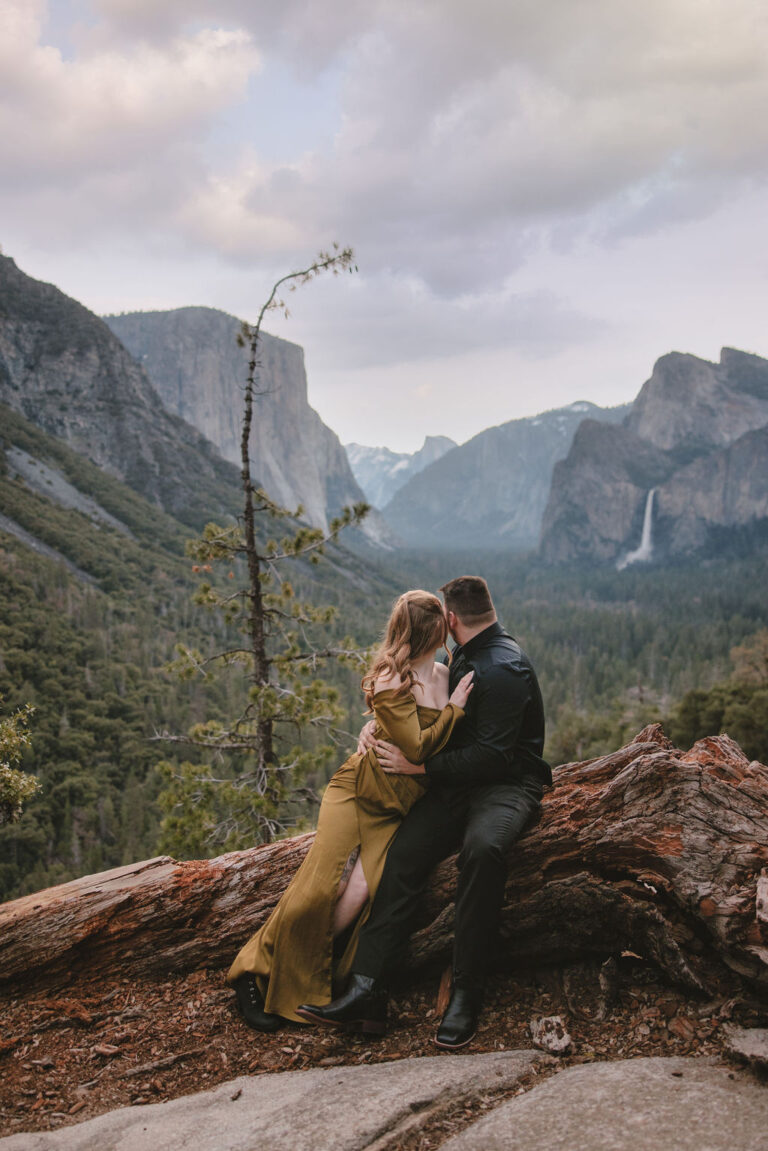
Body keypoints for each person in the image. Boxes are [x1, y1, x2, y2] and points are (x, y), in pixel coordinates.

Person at [296, 575, 551, 1049]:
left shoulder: (505, 667)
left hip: (506, 785)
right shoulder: (465, 654)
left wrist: (421, 766)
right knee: (404, 853)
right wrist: (376, 728)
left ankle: (467, 991)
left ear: (451, 621)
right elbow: (422, 708)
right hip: (456, 782)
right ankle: (367, 990)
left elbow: (493, 758)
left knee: (483, 850)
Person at [227, 589, 474, 1032]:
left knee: (362, 894)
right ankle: (252, 973)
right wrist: (453, 710)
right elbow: (418, 744)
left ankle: (315, 983)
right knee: (323, 887)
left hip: (397, 807)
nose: (447, 634)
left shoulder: (444, 670)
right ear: (423, 634)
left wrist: (382, 729)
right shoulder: (390, 681)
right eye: (440, 628)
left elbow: (419, 745)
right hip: (358, 792)